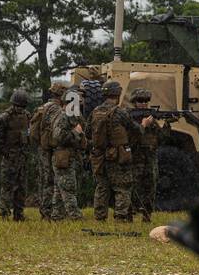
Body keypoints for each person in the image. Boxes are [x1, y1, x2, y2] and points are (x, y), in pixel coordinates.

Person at [90, 80, 141, 222]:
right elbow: (135, 129)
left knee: (102, 187)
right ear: (117, 94)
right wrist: (144, 125)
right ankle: (120, 217)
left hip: (99, 156)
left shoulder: (95, 112)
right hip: (118, 156)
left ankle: (100, 217)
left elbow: (88, 131)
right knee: (122, 187)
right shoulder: (120, 112)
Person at [30, 81, 67, 221]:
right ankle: (48, 211)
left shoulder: (43, 107)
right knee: (51, 180)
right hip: (51, 148)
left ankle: (45, 210)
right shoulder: (56, 109)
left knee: (45, 179)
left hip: (42, 147)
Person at [48, 94, 86, 221]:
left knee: (60, 188)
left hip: (67, 156)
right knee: (68, 187)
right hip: (63, 157)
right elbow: (59, 138)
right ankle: (75, 216)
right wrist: (76, 132)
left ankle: (57, 215)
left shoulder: (69, 116)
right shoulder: (63, 117)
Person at [0, 90, 30, 220]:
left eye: (23, 107)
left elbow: (28, 134)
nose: (21, 109)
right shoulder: (5, 117)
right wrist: (5, 153)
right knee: (7, 187)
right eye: (19, 106)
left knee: (21, 187)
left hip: (22, 156)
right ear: (14, 105)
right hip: (10, 157)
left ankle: (18, 214)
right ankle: (4, 214)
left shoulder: (27, 116)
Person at [128, 88, 162, 223]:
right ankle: (129, 214)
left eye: (146, 101)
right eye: (140, 101)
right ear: (134, 102)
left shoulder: (151, 120)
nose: (143, 104)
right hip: (136, 157)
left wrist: (166, 125)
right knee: (133, 188)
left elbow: (161, 138)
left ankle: (147, 216)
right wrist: (143, 126)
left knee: (150, 187)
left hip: (150, 157)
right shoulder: (130, 118)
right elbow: (131, 138)